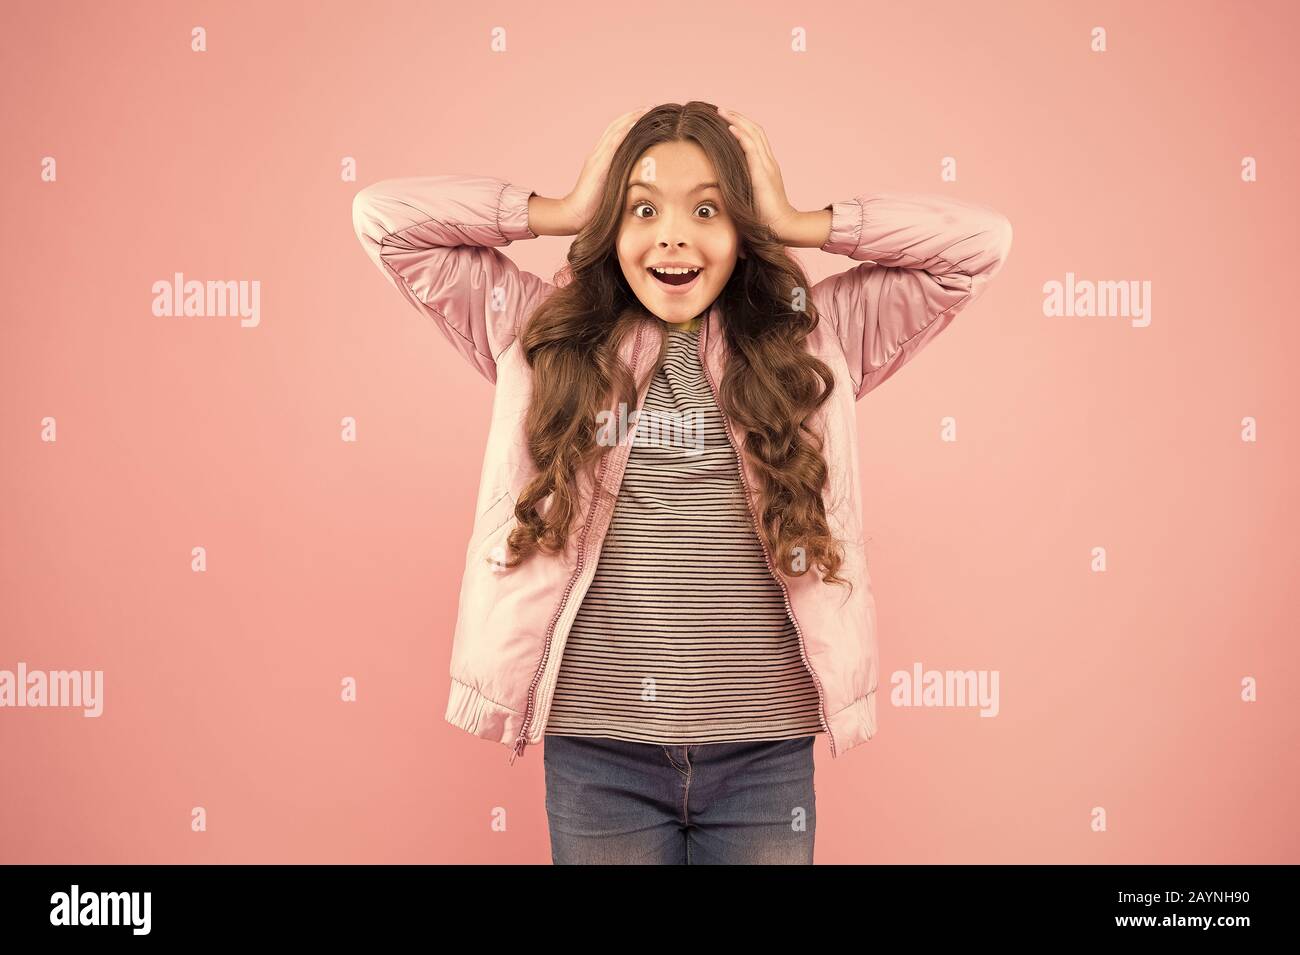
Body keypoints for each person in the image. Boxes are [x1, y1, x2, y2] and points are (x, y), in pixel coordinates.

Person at [351, 101, 1013, 864]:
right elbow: (384, 221)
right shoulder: (540, 334)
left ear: (742, 231)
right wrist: (556, 209)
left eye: (708, 209)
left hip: (764, 750)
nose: (672, 234)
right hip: (600, 752)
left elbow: (978, 246)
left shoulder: (814, 340)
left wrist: (800, 221)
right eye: (641, 208)